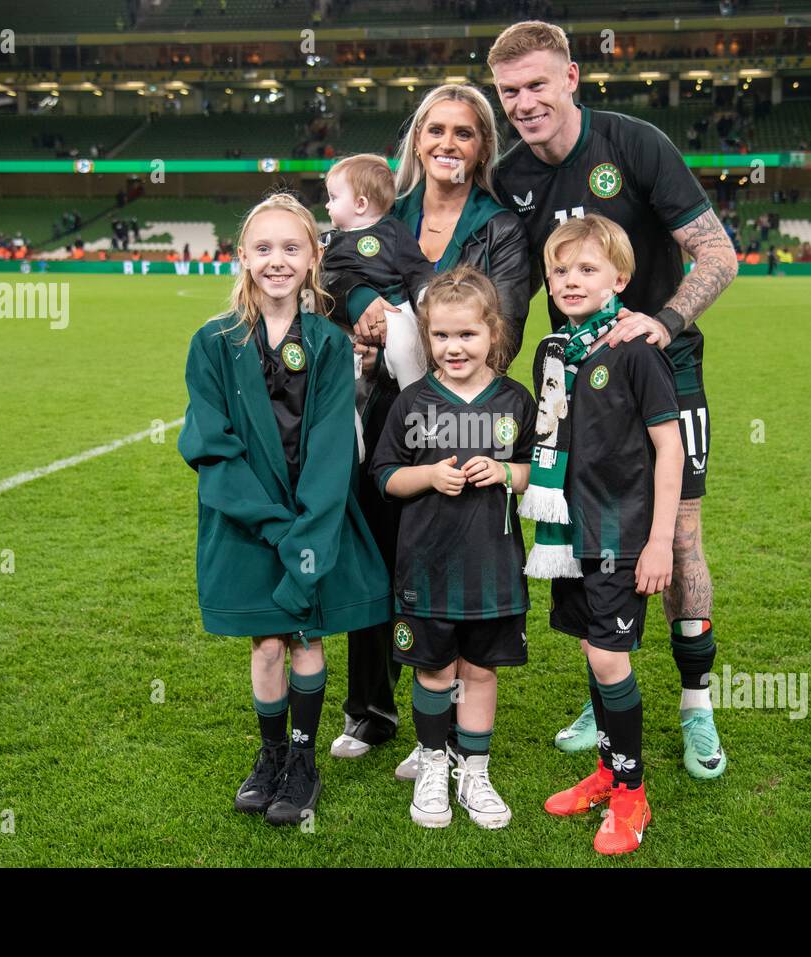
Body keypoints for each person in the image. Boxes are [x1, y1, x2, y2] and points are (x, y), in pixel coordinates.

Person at [488, 20, 735, 776]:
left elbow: (718, 252)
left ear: (570, 78)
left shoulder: (634, 145)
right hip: (575, 379)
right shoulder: (509, 178)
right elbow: (517, 292)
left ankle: (696, 702)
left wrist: (658, 323)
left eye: (536, 84)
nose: (525, 103)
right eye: (510, 92)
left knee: (679, 533)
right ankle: (607, 689)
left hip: (661, 367)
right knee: (587, 530)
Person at [320, 82, 530, 766]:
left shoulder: (498, 224)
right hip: (379, 410)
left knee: (435, 562)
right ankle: (370, 709)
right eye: (436, 130)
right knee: (373, 554)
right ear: (418, 139)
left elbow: (507, 331)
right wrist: (359, 310)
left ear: (482, 147)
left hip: (462, 418)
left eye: (464, 133)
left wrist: (436, 362)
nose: (448, 144)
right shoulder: (385, 211)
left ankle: (433, 734)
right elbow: (334, 276)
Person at [176, 192, 391, 827]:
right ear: (241, 257)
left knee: (306, 638)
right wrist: (273, 526)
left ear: (313, 257)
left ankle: (303, 760)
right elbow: (209, 445)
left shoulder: (327, 342)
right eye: (263, 248)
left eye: (291, 248)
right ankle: (269, 756)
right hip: (246, 524)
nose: (277, 260)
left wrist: (305, 536)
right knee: (265, 643)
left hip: (312, 526)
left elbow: (331, 455)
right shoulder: (212, 341)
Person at [524, 214, 683, 855]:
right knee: (593, 650)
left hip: (624, 531)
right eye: (560, 269)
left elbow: (669, 451)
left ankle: (632, 795)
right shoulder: (554, 352)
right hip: (570, 532)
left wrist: (661, 541)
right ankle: (605, 770)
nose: (570, 280)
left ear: (619, 277)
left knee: (608, 657)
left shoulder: (637, 351)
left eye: (587, 269)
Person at [370, 266, 538, 829]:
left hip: (493, 568)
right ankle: (435, 766)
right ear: (426, 338)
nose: (454, 346)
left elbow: (540, 475)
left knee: (482, 672)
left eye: (467, 334)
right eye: (441, 336)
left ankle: (475, 770)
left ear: (493, 332)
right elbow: (384, 476)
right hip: (426, 568)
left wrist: (505, 472)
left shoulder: (516, 401)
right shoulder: (413, 401)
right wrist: (428, 477)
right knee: (435, 672)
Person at [320, 153, 437, 393]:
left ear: (360, 204)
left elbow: (416, 266)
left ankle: (417, 404)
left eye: (333, 197)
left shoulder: (392, 231)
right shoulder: (331, 243)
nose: (327, 205)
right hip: (349, 324)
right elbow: (325, 281)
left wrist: (426, 292)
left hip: (396, 306)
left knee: (406, 346)